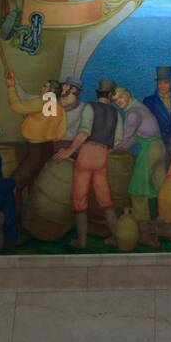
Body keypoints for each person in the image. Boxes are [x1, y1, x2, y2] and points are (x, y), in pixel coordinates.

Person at [53, 78, 123, 248]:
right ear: (111, 95)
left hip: (86, 153)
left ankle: (82, 242)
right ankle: (116, 238)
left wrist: (69, 150)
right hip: (102, 155)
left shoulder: (89, 107)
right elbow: (118, 141)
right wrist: (103, 151)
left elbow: (84, 132)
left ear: (98, 93)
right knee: (105, 200)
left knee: (80, 198)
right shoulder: (117, 113)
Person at [4, 68, 66, 213]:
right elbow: (61, 133)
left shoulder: (42, 102)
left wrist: (11, 88)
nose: (42, 88)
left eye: (45, 86)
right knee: (34, 185)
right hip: (47, 149)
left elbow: (17, 107)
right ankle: (29, 221)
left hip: (35, 151)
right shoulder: (59, 108)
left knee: (14, 185)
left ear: (51, 92)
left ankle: (15, 223)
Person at [113, 85, 165, 221]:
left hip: (150, 151)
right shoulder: (141, 107)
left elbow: (125, 140)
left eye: (120, 97)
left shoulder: (132, 113)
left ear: (128, 94)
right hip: (160, 148)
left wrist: (112, 150)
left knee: (137, 188)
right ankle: (165, 217)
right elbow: (136, 138)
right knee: (161, 186)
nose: (118, 101)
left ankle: (141, 224)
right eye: (115, 99)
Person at [143, 65, 171, 157]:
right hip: (158, 141)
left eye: (166, 82)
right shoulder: (149, 101)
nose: (162, 86)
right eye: (160, 83)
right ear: (156, 84)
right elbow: (149, 126)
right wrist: (167, 139)